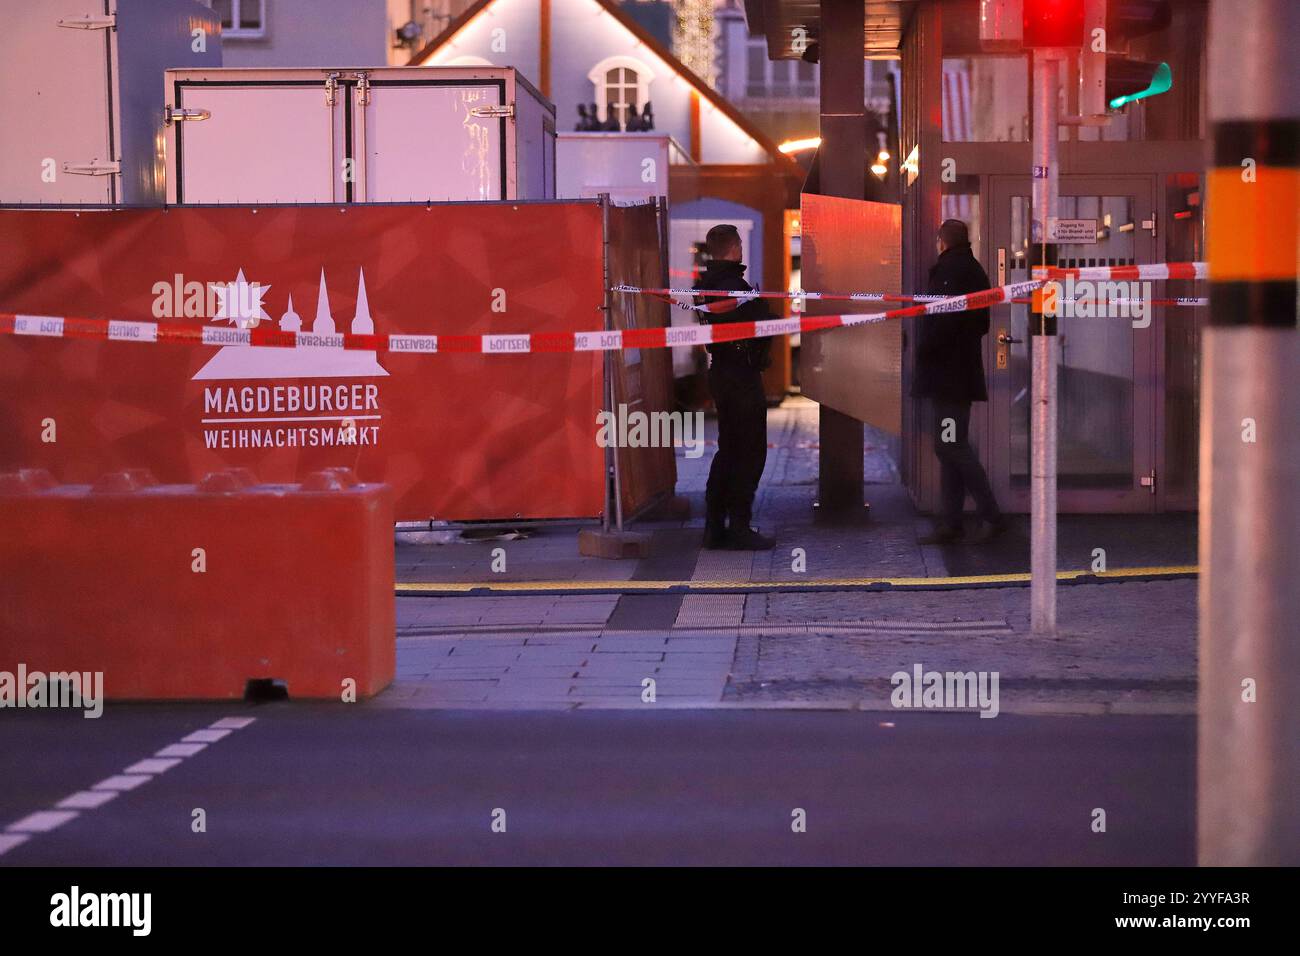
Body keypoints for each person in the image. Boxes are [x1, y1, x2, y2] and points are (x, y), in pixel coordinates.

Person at [912, 219, 1007, 545]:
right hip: (960, 374)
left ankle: (991, 515)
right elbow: (978, 324)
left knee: (951, 445)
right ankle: (951, 523)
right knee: (950, 446)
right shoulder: (974, 271)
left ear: (942, 241)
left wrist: (924, 349)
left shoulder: (950, 271)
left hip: (948, 376)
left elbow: (941, 321)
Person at [694, 224, 775, 550]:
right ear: (736, 248)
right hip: (741, 376)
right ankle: (739, 526)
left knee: (728, 450)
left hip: (722, 374)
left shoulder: (707, 286)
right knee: (749, 452)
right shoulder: (733, 286)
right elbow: (757, 324)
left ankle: (714, 526)